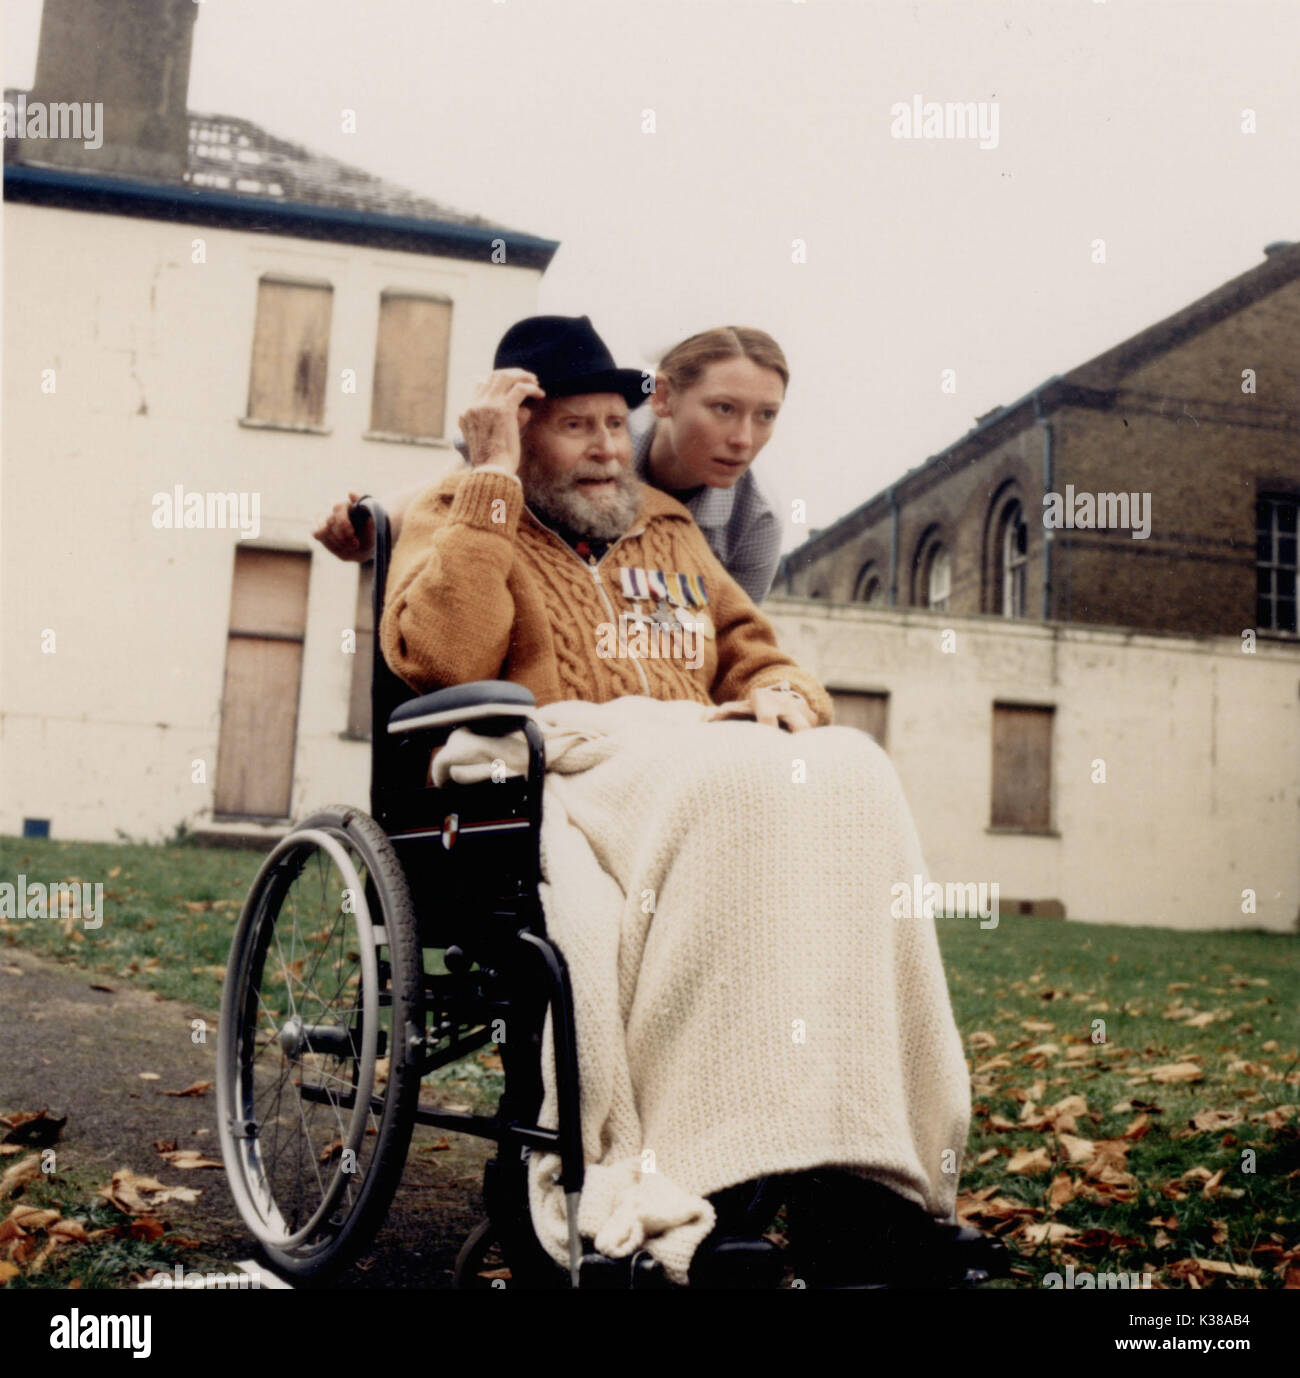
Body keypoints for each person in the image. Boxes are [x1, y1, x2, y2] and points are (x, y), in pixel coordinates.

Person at [379, 315, 977, 1290]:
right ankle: (708, 1173)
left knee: (853, 770)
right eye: (577, 427)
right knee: (728, 793)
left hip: (693, 760)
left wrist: (783, 692)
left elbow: (755, 644)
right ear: (519, 433)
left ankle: (867, 1182)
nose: (609, 449)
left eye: (616, 424)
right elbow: (441, 655)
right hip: (562, 771)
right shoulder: (460, 517)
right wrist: (488, 484)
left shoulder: (665, 529)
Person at [314, 323, 786, 603]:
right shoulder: (603, 436)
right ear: (662, 398)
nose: (744, 439)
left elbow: (729, 643)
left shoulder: (754, 523)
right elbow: (472, 480)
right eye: (724, 409)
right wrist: (375, 525)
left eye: (766, 415)